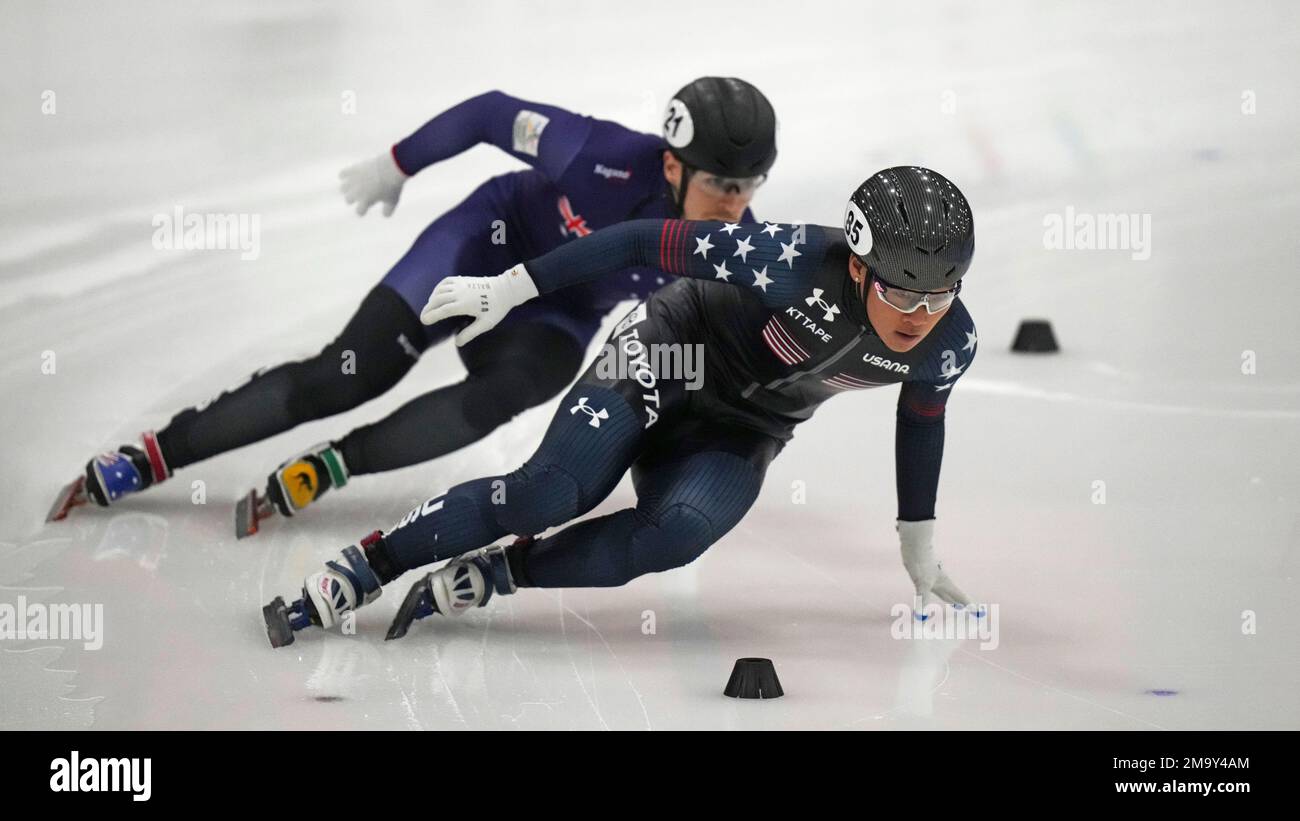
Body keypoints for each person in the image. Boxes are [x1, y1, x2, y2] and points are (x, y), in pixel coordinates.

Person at [262, 166, 983, 648]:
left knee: (676, 534)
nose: (918, 315)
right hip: (674, 349)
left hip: (748, 424)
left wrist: (915, 538)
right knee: (551, 488)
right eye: (901, 293)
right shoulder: (789, 259)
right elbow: (643, 240)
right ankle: (369, 564)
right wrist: (514, 285)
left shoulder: (948, 341)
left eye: (938, 295)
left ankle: (504, 572)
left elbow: (922, 421)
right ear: (857, 266)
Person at [53, 78, 779, 534]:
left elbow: (750, 332)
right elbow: (495, 113)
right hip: (481, 247)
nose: (736, 204)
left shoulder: (733, 245)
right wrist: (396, 162)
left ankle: (332, 465)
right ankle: (152, 455)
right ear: (674, 163)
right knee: (346, 376)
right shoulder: (600, 155)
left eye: (753, 185)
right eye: (722, 183)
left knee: (511, 391)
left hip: (548, 311)